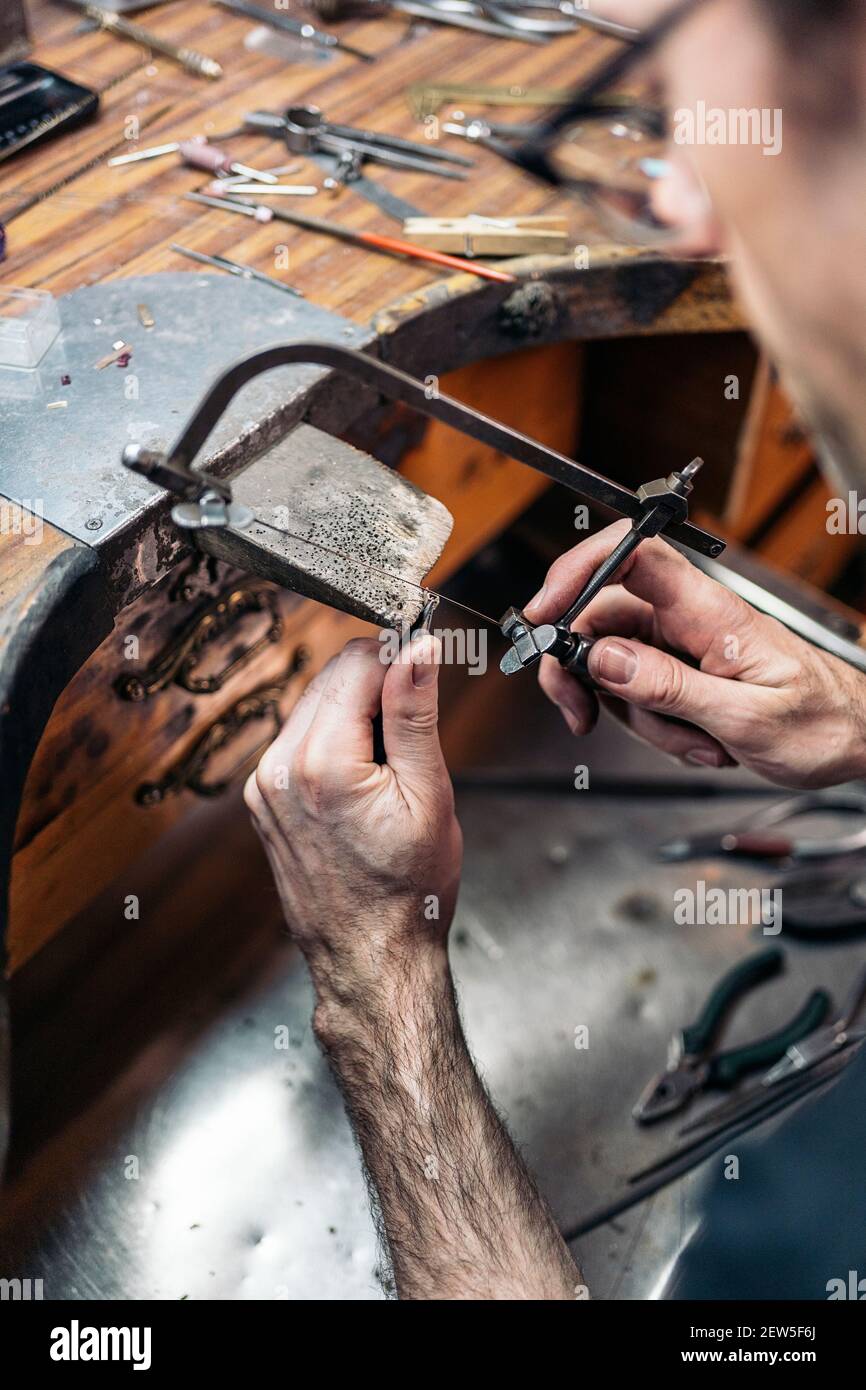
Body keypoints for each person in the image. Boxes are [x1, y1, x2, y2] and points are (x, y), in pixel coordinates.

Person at [245, 0, 866, 1298]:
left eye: (680, 115)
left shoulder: (820, 1213)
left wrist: (372, 976)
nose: (682, 215)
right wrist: (854, 717)